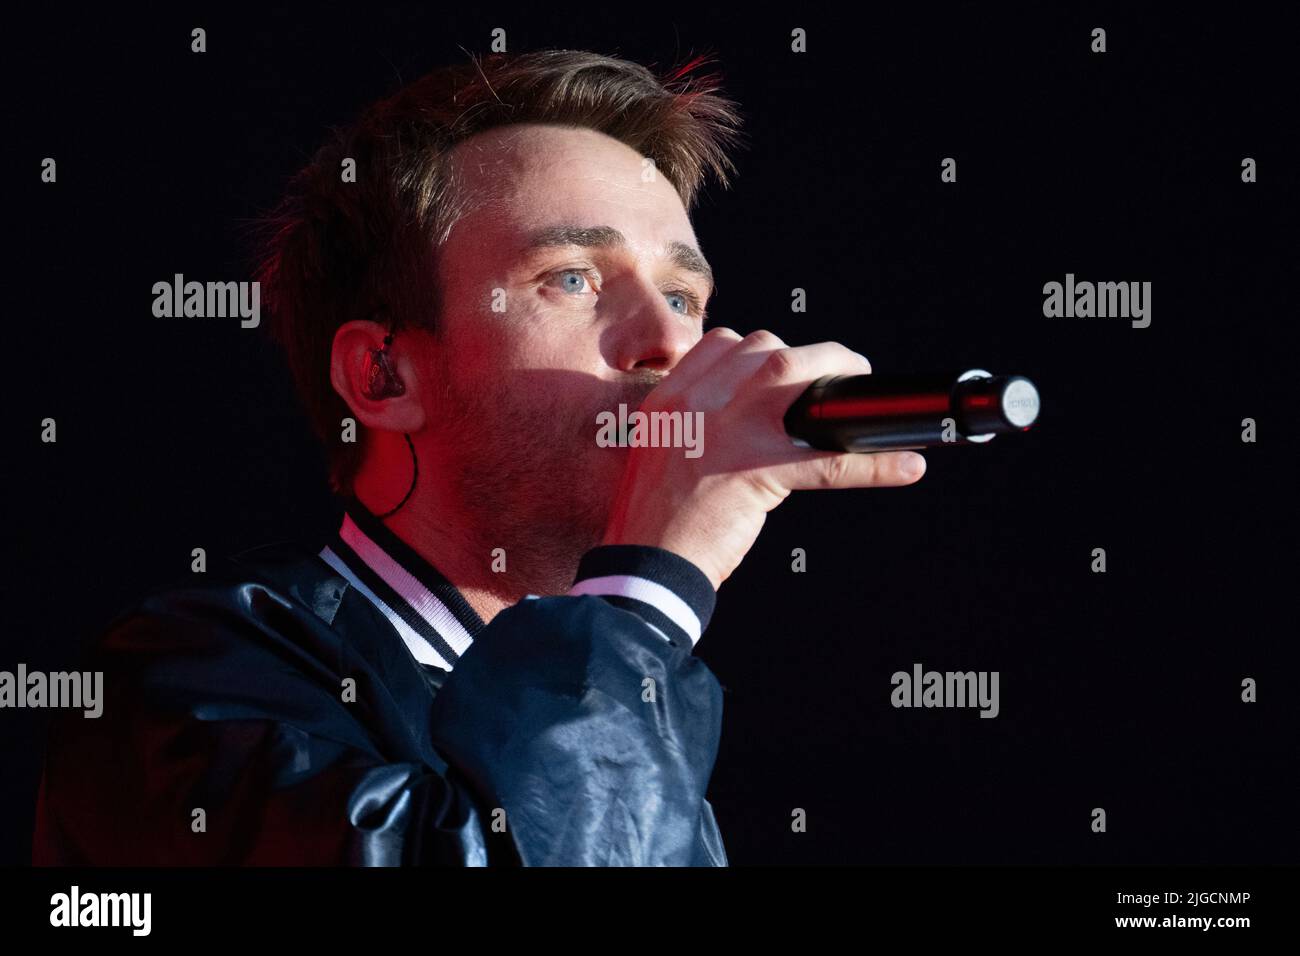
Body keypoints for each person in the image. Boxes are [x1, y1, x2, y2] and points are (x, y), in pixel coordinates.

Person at [32, 49, 926, 866]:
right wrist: (651, 597)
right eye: (572, 278)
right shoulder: (179, 686)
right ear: (383, 375)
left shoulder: (644, 688)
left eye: (685, 294)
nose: (669, 343)